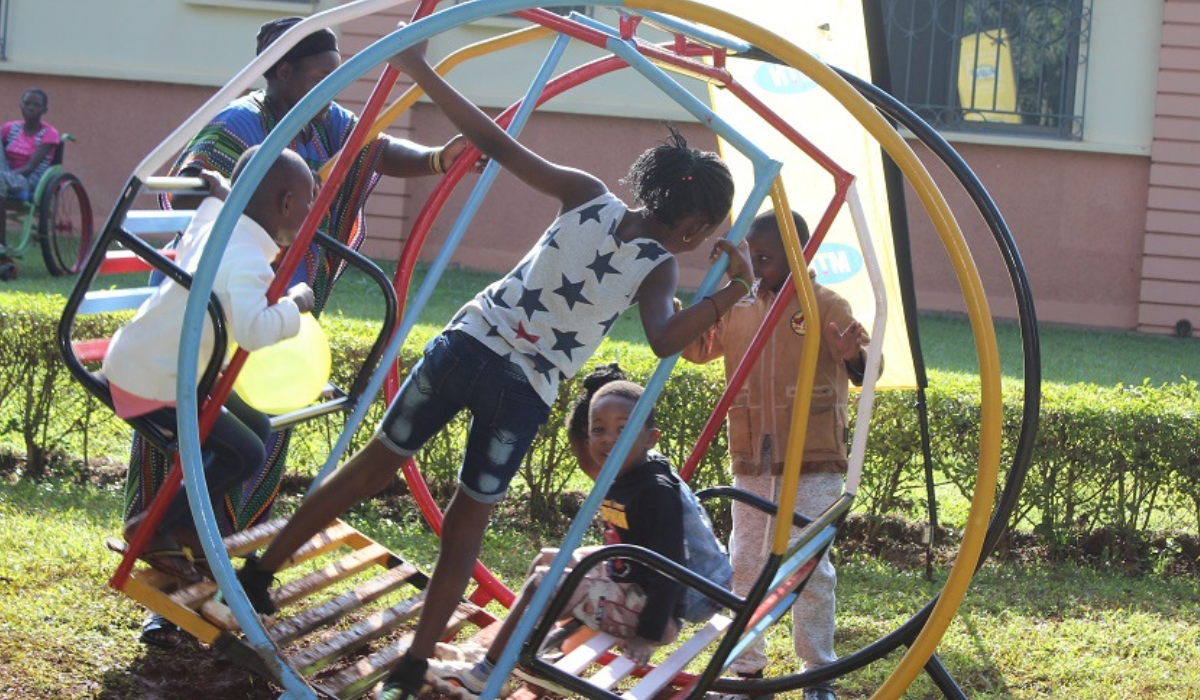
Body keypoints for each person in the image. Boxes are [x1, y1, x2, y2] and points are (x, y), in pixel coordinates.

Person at [235, 36, 753, 700]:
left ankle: (262, 572)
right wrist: (730, 292)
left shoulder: (586, 194)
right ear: (695, 224)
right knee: (466, 522)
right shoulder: (660, 265)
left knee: (373, 464)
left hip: (468, 345)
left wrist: (420, 69)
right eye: (707, 233)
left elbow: (499, 143)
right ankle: (415, 664)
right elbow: (663, 340)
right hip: (523, 389)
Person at [120, 14, 481, 609]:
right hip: (222, 316)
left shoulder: (327, 121)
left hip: (274, 319)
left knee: (260, 433)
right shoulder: (240, 123)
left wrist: (441, 158)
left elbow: (376, 148)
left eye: (336, 75)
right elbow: (191, 185)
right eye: (320, 73)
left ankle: (224, 554)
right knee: (195, 434)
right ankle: (162, 551)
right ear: (281, 70)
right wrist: (214, 192)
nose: (332, 87)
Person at [428, 378, 720, 700]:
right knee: (547, 559)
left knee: (544, 583)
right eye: (599, 430)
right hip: (625, 582)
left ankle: (486, 674)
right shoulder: (622, 474)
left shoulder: (656, 491)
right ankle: (510, 652)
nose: (610, 440)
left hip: (648, 610)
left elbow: (669, 568)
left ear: (651, 439)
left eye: (623, 429)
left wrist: (647, 636)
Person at [681, 210, 872, 700]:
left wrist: (852, 355)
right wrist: (694, 314)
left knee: (807, 568)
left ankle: (817, 672)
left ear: (800, 255)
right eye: (752, 256)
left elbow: (866, 362)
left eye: (764, 258)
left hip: (812, 457)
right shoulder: (738, 306)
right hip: (752, 457)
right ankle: (747, 669)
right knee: (744, 561)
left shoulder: (826, 304)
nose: (756, 266)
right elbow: (701, 349)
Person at [105, 145, 316, 583]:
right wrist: (297, 304)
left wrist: (222, 191)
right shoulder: (250, 259)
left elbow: (210, 209)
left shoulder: (222, 225)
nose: (311, 210)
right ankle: (150, 525)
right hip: (156, 380)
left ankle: (183, 523)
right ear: (286, 204)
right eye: (309, 200)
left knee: (255, 427)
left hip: (146, 360)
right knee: (246, 452)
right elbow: (256, 330)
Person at [0, 88, 59, 251]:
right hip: (6, 174)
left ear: (44, 110)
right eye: (27, 103)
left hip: (29, 179)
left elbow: (29, 168)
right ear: (21, 105)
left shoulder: (49, 133)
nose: (31, 108)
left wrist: (5, 177)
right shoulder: (10, 128)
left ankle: (2, 244)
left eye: (36, 105)